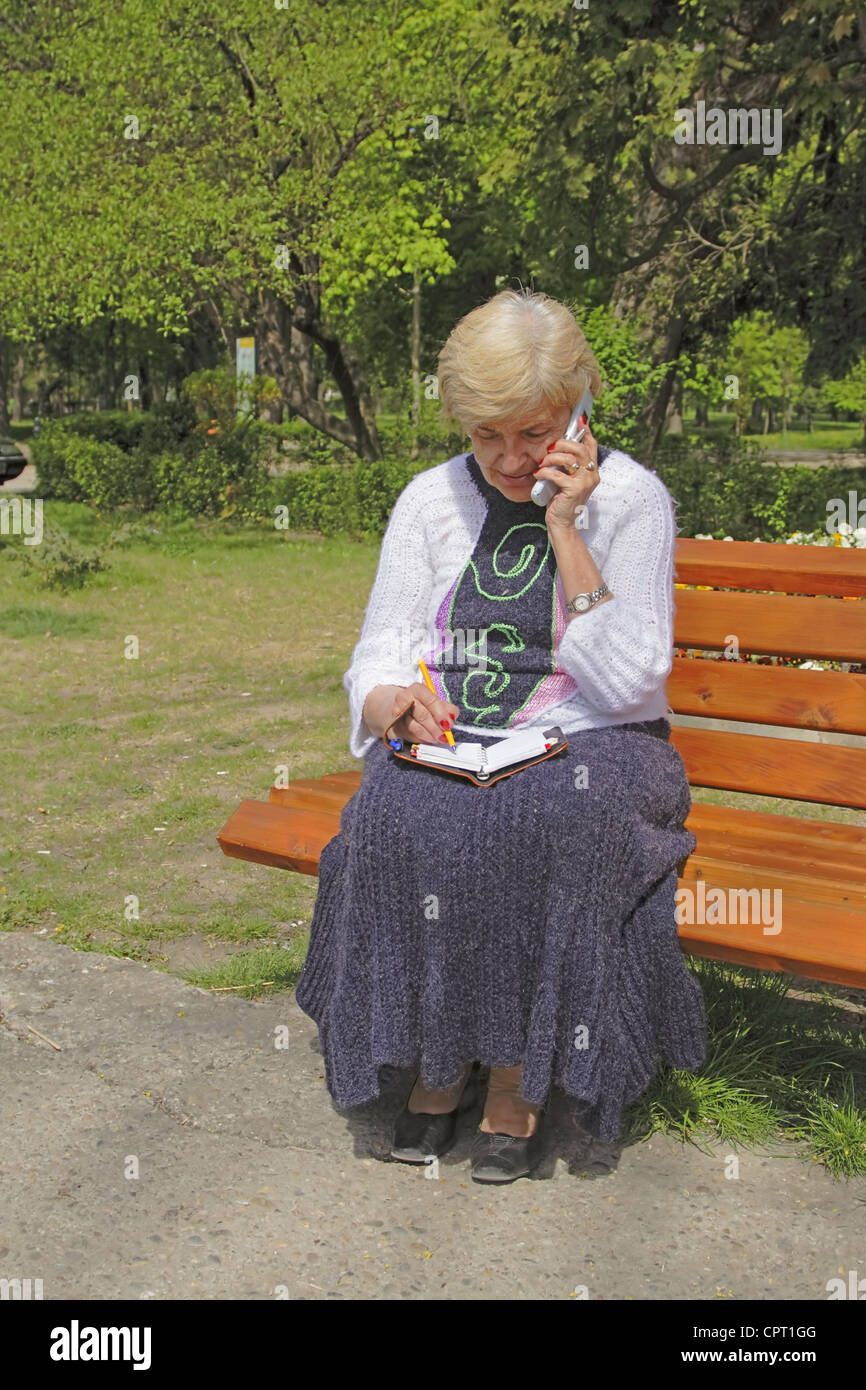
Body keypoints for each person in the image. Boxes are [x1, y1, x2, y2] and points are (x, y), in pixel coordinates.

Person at [295, 288, 706, 1183]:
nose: (511, 460)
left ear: (581, 406)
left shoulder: (632, 502)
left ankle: (516, 1080)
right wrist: (387, 702)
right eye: (488, 437)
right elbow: (380, 647)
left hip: (603, 741)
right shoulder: (430, 500)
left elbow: (632, 680)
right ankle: (441, 1059)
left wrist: (566, 530)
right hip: (461, 738)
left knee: (540, 820)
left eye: (533, 432)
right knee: (392, 816)